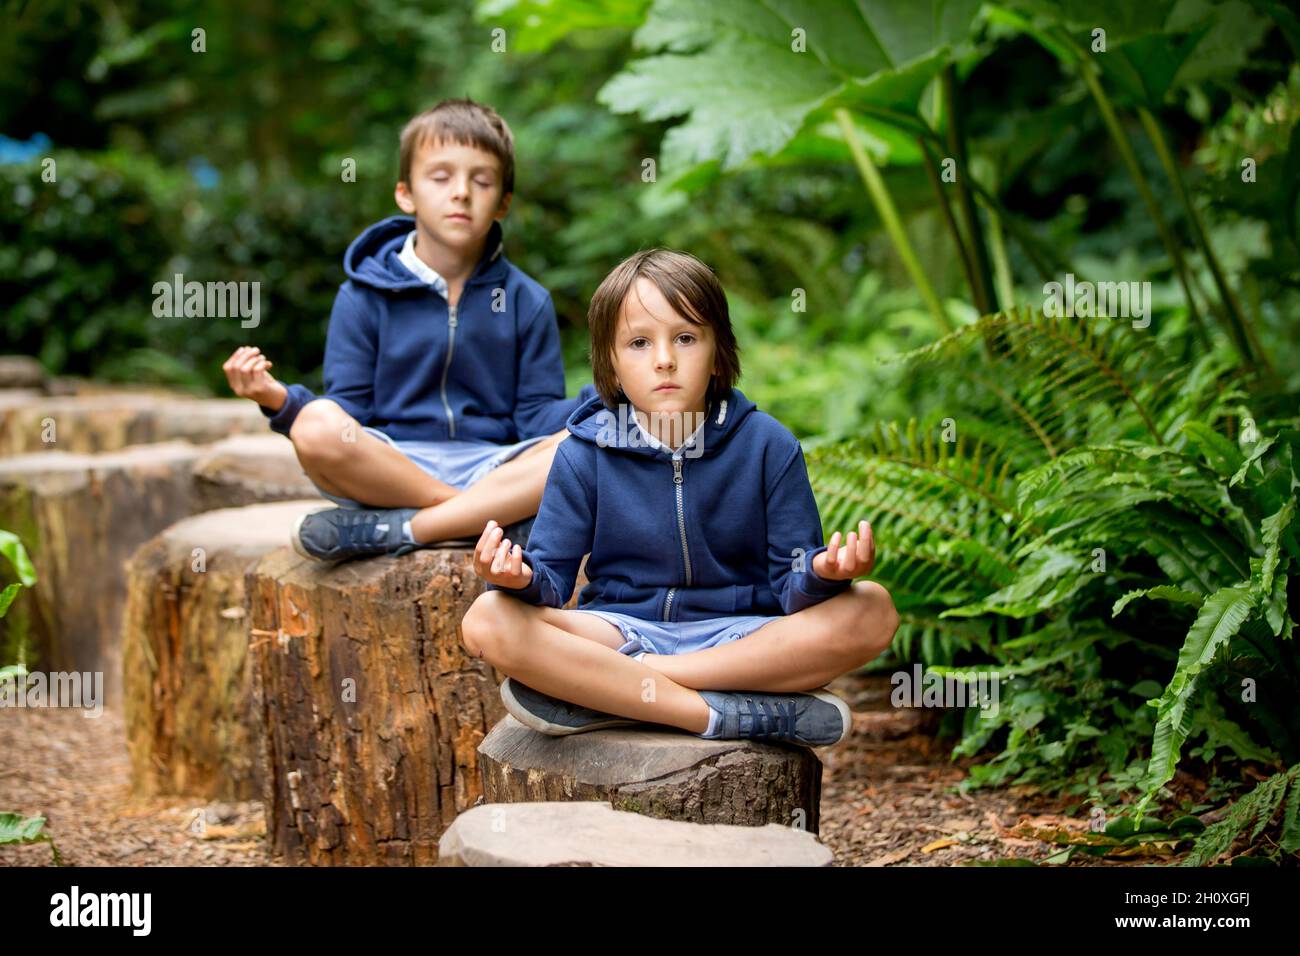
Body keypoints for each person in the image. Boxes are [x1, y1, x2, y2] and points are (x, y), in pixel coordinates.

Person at [460, 248, 899, 748]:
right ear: (611, 360)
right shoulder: (584, 455)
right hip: (620, 631)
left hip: (740, 636)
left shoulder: (767, 445)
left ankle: (619, 691)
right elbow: (552, 584)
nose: (665, 359)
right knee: (488, 618)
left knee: (872, 609)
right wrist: (518, 578)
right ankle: (707, 713)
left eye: (686, 338)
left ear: (718, 352)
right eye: (640, 342)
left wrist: (823, 574)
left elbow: (789, 588)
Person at [221, 98, 596, 561]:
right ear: (406, 193)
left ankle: (414, 528)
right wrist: (277, 400)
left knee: (591, 438)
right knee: (315, 426)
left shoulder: (527, 300)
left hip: (494, 466)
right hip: (393, 467)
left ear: (502, 203)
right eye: (440, 177)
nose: (461, 192)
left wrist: (608, 398)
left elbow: (534, 417)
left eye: (481, 181)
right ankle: (475, 520)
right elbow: (348, 411)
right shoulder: (363, 296)